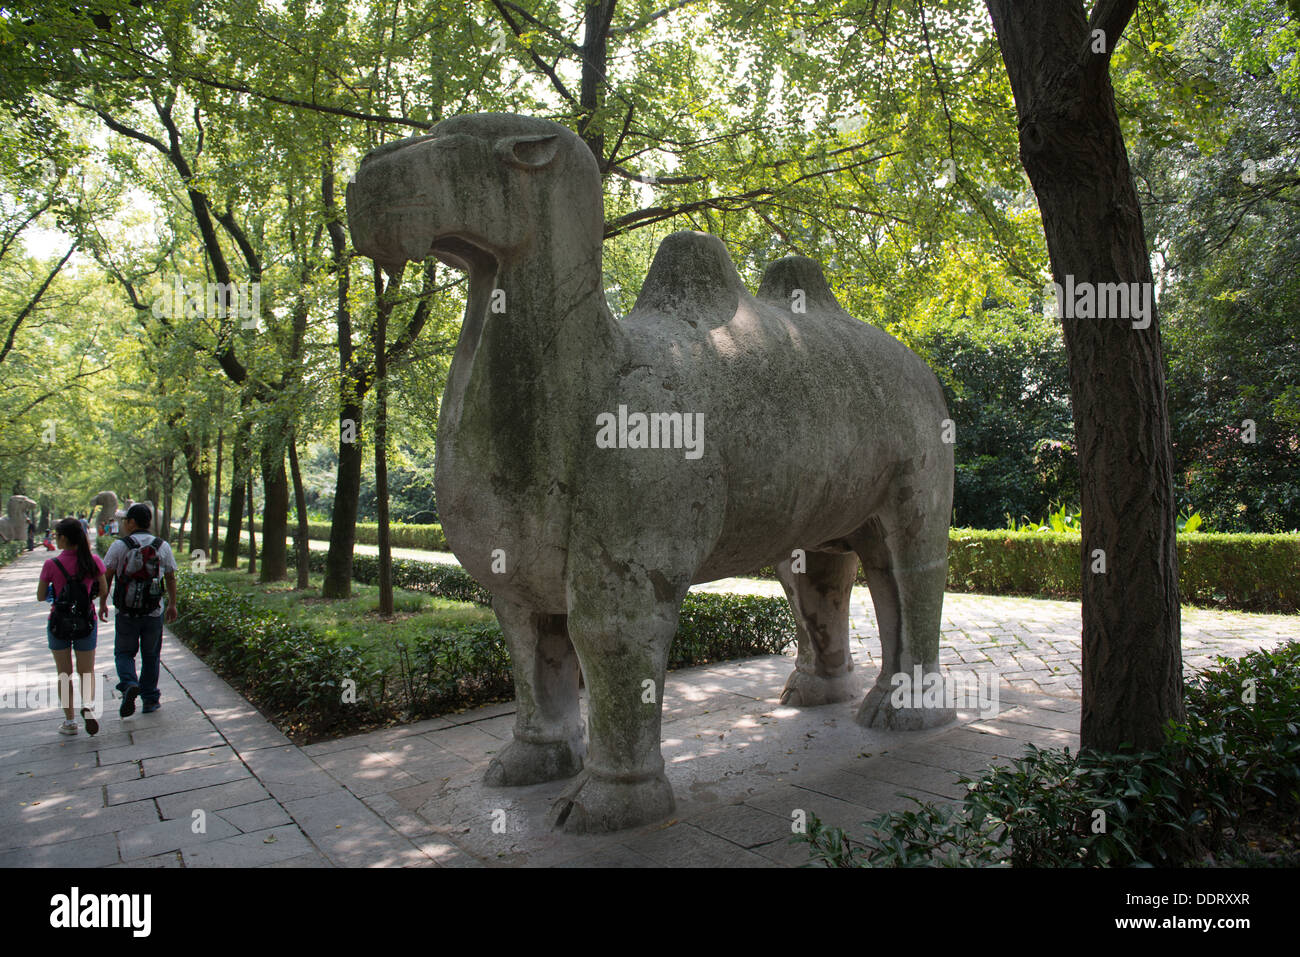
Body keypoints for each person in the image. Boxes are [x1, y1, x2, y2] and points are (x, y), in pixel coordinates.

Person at [102, 503, 178, 717]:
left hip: (126, 612)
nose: (124, 523)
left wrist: (102, 604)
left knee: (124, 652)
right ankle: (150, 700)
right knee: (151, 655)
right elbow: (170, 576)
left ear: (132, 522)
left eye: (126, 520)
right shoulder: (162, 546)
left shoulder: (120, 546)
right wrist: (172, 604)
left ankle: (128, 684)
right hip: (153, 612)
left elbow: (106, 577)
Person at [37, 517, 109, 735]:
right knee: (86, 671)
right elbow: (104, 589)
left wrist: (56, 593)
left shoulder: (51, 564)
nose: (54, 539)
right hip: (86, 622)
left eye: (56, 536)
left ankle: (69, 723)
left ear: (64, 538)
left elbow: (41, 596)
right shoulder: (93, 560)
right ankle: (88, 705)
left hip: (58, 623)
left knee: (64, 673)